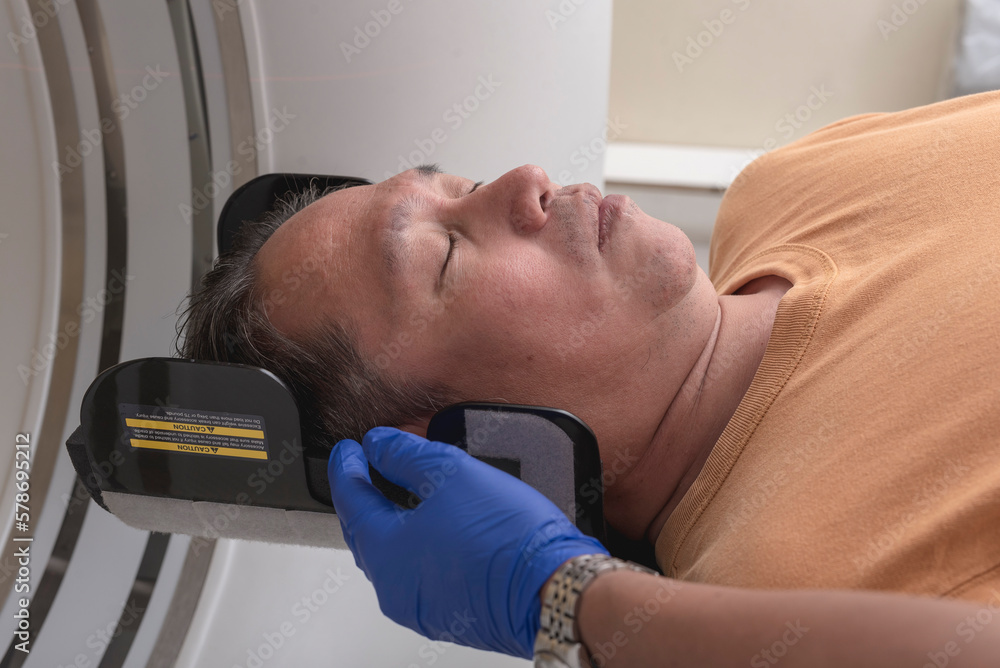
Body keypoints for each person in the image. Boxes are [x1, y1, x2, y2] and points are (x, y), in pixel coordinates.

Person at [179, 90, 1000, 665]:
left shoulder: (798, 180)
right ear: (464, 448)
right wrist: (570, 603)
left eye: (459, 186)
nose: (527, 181)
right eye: (448, 253)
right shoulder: (792, 598)